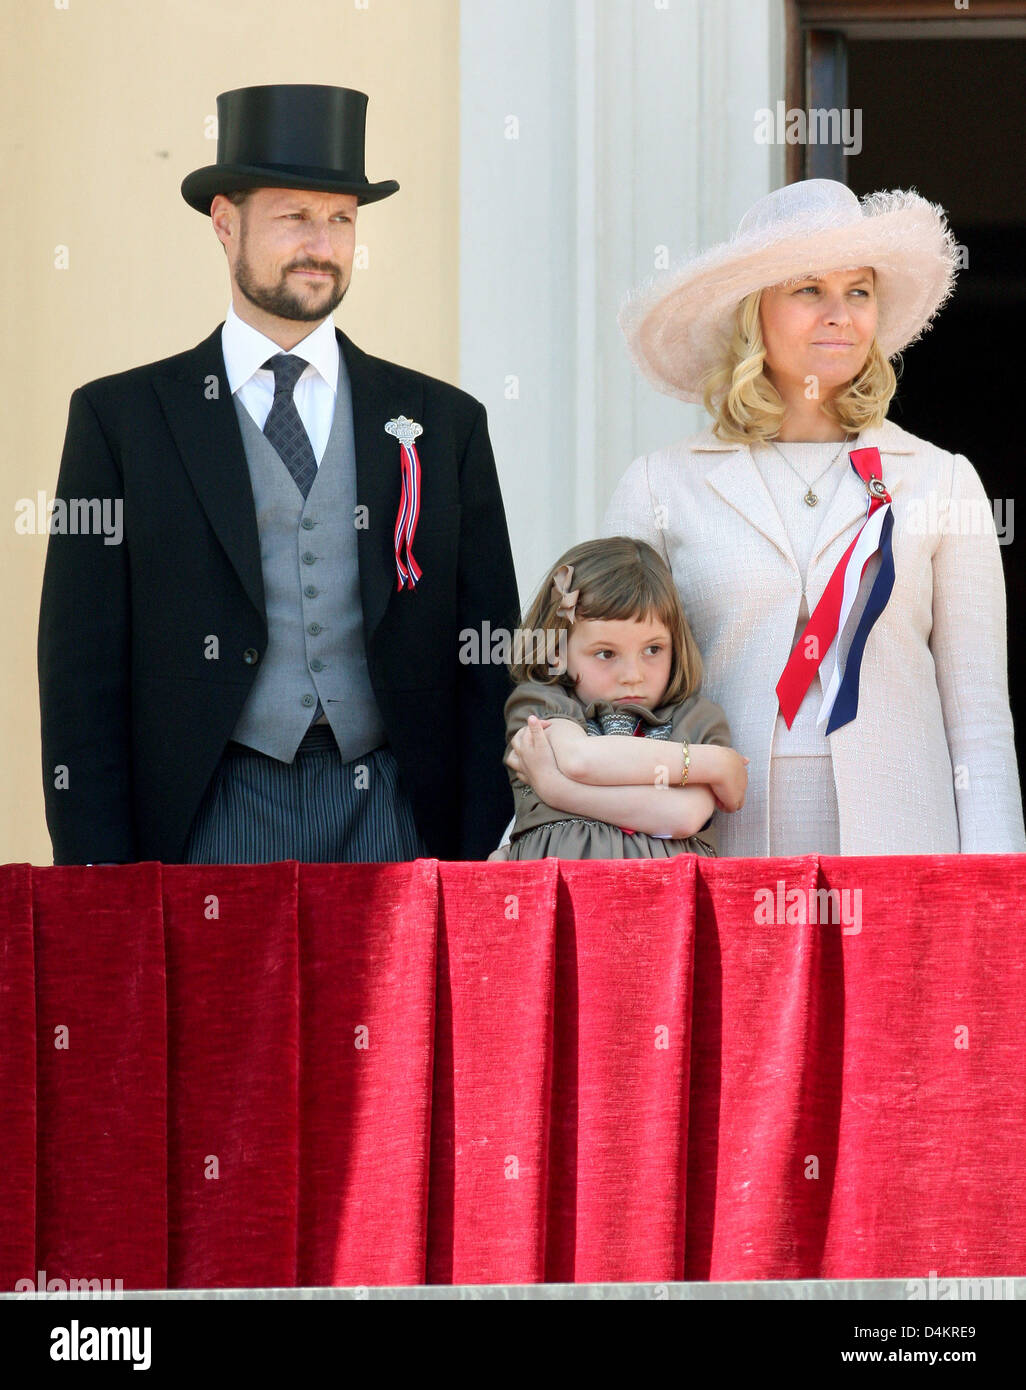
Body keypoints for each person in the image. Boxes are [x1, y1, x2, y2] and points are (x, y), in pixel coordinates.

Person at [37, 84, 518, 866]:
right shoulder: (118, 421)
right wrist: (98, 879)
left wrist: (472, 848)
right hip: (205, 813)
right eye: (295, 216)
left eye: (341, 219)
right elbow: (79, 668)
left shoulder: (443, 422)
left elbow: (487, 647)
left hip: (396, 813)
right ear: (226, 224)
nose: (321, 244)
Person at [603, 178, 1025, 856]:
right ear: (753, 314)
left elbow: (979, 721)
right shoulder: (661, 484)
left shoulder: (942, 480)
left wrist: (998, 907)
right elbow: (610, 694)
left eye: (858, 291)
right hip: (717, 849)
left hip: (905, 856)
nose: (840, 313)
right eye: (808, 289)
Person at [493, 538, 748, 860]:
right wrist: (713, 762)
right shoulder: (541, 702)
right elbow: (579, 760)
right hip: (558, 902)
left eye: (653, 649)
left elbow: (682, 818)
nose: (632, 674)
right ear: (557, 651)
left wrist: (557, 789)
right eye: (606, 653)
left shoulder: (696, 719)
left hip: (668, 903)